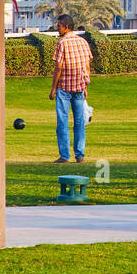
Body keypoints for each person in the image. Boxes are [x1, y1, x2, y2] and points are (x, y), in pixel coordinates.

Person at [50, 14, 92, 163]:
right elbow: (86, 66)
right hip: (79, 87)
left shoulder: (62, 43)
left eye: (59, 26)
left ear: (66, 27)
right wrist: (85, 85)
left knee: (62, 122)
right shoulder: (83, 42)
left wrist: (53, 88)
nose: (57, 28)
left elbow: (59, 68)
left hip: (64, 88)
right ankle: (80, 155)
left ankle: (64, 156)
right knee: (79, 122)